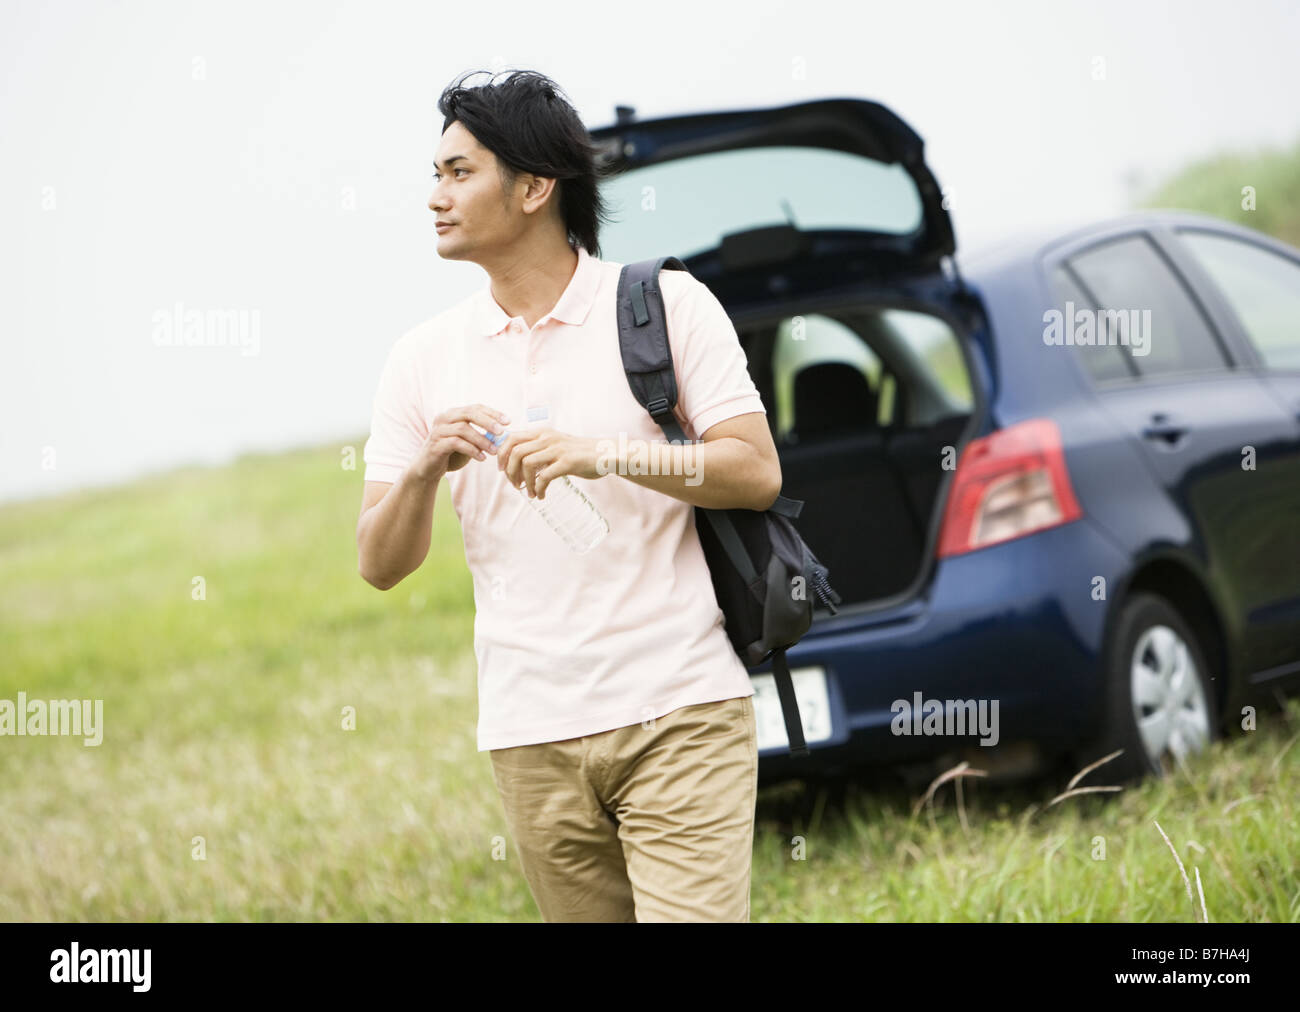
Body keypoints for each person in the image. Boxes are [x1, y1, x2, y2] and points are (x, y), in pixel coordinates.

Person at [355, 68, 782, 922]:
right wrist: (420, 473)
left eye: (459, 172)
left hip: (681, 706)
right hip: (529, 731)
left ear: (535, 187)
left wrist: (604, 455)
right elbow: (379, 564)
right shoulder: (422, 359)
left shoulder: (665, 304)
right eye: (435, 173)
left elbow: (754, 469)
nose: (435, 196)